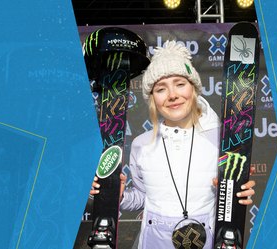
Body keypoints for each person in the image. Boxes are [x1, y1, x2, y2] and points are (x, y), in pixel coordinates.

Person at [90, 40, 255, 249]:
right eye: (161, 89)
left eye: (180, 83)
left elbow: (230, 197)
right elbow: (142, 197)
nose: (172, 95)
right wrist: (116, 195)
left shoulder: (223, 140)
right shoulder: (142, 145)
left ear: (193, 89)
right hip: (153, 242)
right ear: (153, 99)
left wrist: (236, 193)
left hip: (206, 240)